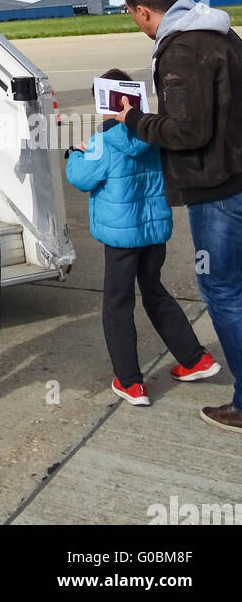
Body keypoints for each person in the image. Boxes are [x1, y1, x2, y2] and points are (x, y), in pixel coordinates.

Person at [113, 0, 242, 433]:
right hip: (236, 176)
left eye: (132, 16)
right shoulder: (222, 34)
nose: (136, 23)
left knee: (222, 291)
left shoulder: (180, 50)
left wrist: (137, 121)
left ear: (142, 10)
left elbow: (188, 131)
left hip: (217, 187)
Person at [67, 66, 217, 407]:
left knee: (117, 304)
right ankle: (195, 358)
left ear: (105, 104)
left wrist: (76, 152)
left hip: (122, 238)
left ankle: (131, 382)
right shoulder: (153, 136)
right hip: (154, 232)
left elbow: (80, 178)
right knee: (154, 292)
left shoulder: (102, 141)